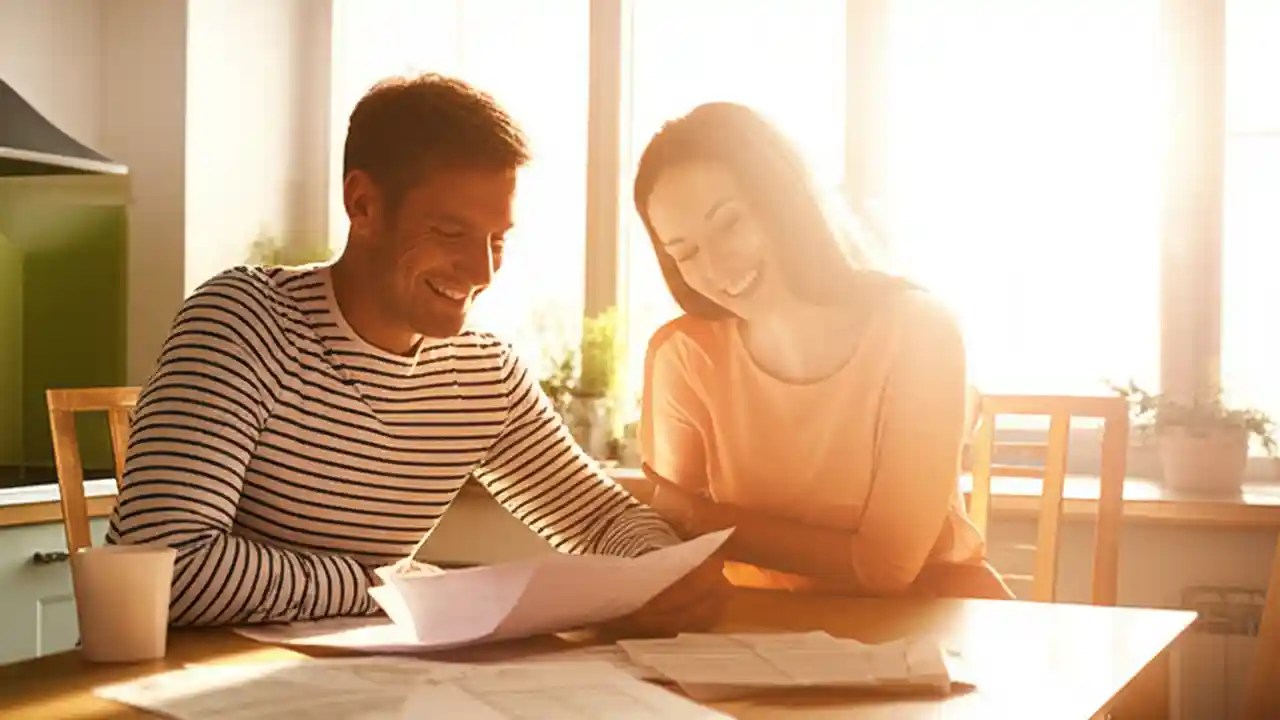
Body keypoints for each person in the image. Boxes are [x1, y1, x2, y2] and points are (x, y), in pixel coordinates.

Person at [107, 73, 728, 629]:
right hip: (181, 684)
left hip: (340, 685)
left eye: (497, 239)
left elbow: (598, 519)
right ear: (364, 204)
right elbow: (169, 566)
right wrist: (402, 588)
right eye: (450, 233)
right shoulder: (246, 321)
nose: (480, 269)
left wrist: (662, 569)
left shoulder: (484, 375)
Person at [634, 102, 1012, 599]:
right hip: (761, 630)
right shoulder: (684, 354)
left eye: (729, 224)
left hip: (929, 622)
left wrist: (705, 521)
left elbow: (886, 567)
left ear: (785, 199)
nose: (716, 265)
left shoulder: (918, 330)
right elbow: (674, 543)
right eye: (685, 252)